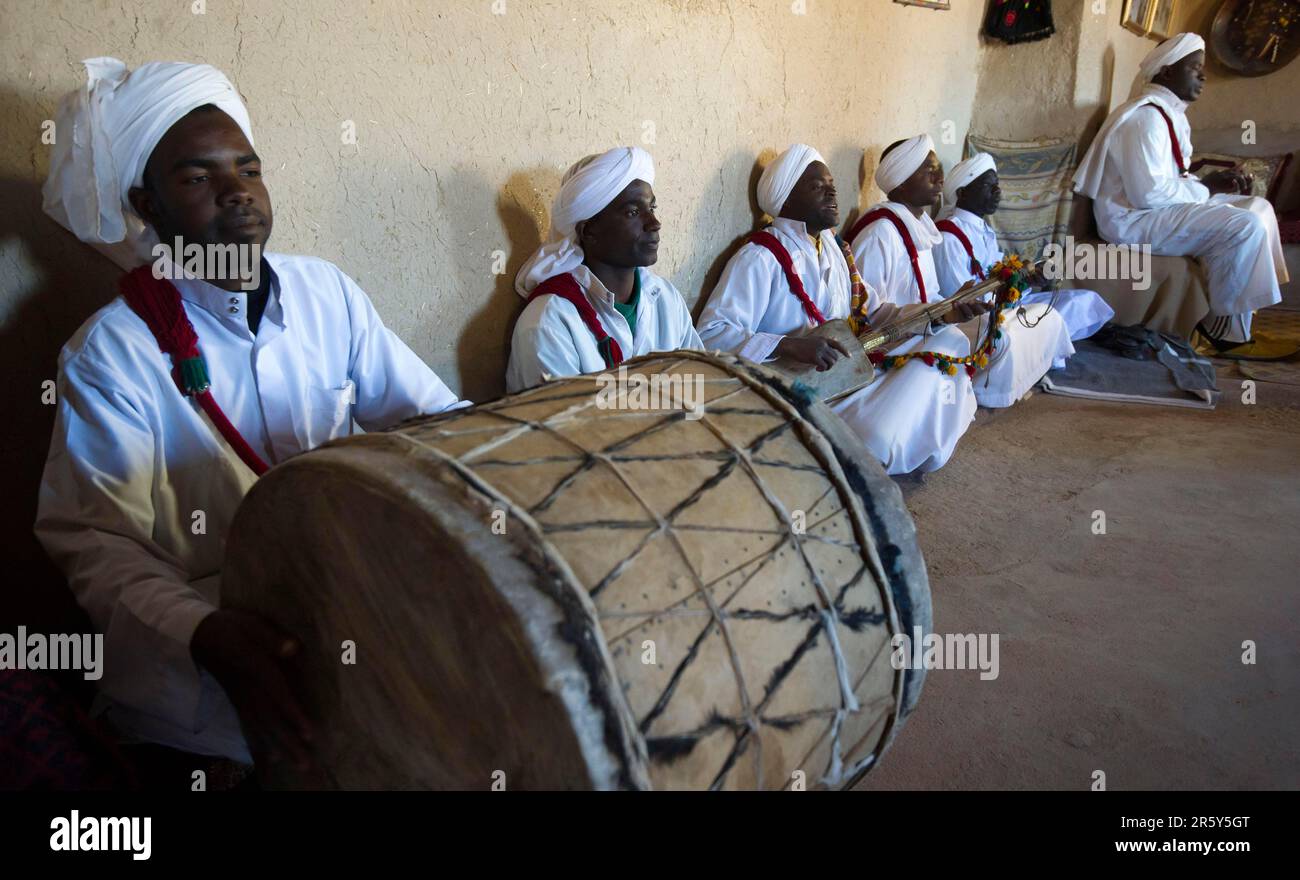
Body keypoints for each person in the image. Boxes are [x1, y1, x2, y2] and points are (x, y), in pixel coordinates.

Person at [36, 58, 466, 779]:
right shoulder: (110, 354)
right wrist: (205, 633)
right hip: (200, 704)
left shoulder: (325, 292)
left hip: (352, 637)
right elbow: (97, 545)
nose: (238, 193)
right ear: (147, 205)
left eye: (249, 168)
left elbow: (436, 421)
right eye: (198, 178)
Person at [697, 144, 975, 475]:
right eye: (817, 187)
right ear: (785, 200)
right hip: (797, 395)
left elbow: (876, 313)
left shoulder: (835, 248)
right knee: (879, 438)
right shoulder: (760, 256)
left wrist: (943, 312)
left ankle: (876, 441)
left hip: (849, 375)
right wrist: (788, 345)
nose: (832, 192)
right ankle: (869, 443)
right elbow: (710, 335)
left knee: (951, 341)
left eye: (831, 184)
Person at [1073, 33, 1288, 354]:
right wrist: (1207, 187)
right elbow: (1150, 196)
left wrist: (1208, 187)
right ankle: (1225, 330)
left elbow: (1171, 181)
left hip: (1154, 211)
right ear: (1167, 71)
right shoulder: (1144, 119)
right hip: (1132, 221)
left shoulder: (1168, 113)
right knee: (1245, 227)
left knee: (1259, 208)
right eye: (1194, 68)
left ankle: (1241, 318)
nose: (1203, 75)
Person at [847, 135, 1073, 408]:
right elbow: (867, 316)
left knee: (1022, 324)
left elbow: (930, 294)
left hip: (926, 322)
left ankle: (984, 391)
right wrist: (944, 312)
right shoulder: (879, 233)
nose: (940, 177)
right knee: (994, 336)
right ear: (902, 182)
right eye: (928, 171)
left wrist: (954, 305)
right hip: (897, 336)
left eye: (938, 168)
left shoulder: (917, 226)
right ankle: (979, 394)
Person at [506, 147, 701, 392]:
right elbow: (560, 424)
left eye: (652, 208)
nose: (654, 223)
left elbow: (698, 385)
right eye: (632, 212)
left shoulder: (666, 299)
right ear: (589, 231)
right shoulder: (550, 321)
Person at [935, 152, 1114, 363]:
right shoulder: (949, 238)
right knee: (1051, 320)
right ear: (963, 193)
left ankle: (1044, 348)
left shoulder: (981, 228)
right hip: (979, 319)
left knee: (1081, 301)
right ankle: (1042, 351)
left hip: (1006, 304)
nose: (997, 191)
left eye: (997, 184)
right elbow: (962, 300)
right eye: (988, 186)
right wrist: (1015, 287)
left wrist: (1026, 278)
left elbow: (997, 270)